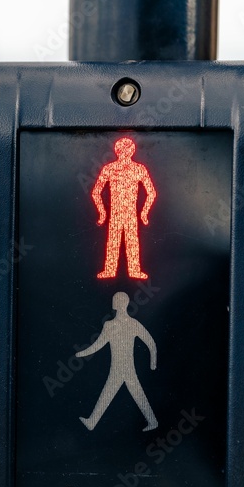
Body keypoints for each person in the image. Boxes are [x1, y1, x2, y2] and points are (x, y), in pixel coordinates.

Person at [76, 292, 158, 432]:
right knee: (129, 395)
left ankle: (92, 422)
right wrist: (82, 353)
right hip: (119, 369)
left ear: (119, 304)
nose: (114, 302)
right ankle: (152, 421)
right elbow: (98, 345)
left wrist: (153, 363)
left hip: (123, 369)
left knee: (116, 394)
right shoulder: (114, 325)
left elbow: (151, 343)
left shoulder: (128, 324)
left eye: (116, 300)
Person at [91, 137, 156, 280]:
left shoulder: (113, 168)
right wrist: (102, 213)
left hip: (122, 213)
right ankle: (120, 271)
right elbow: (96, 192)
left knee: (123, 242)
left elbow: (151, 193)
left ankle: (124, 271)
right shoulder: (135, 169)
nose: (125, 153)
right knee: (124, 241)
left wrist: (144, 213)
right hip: (122, 213)